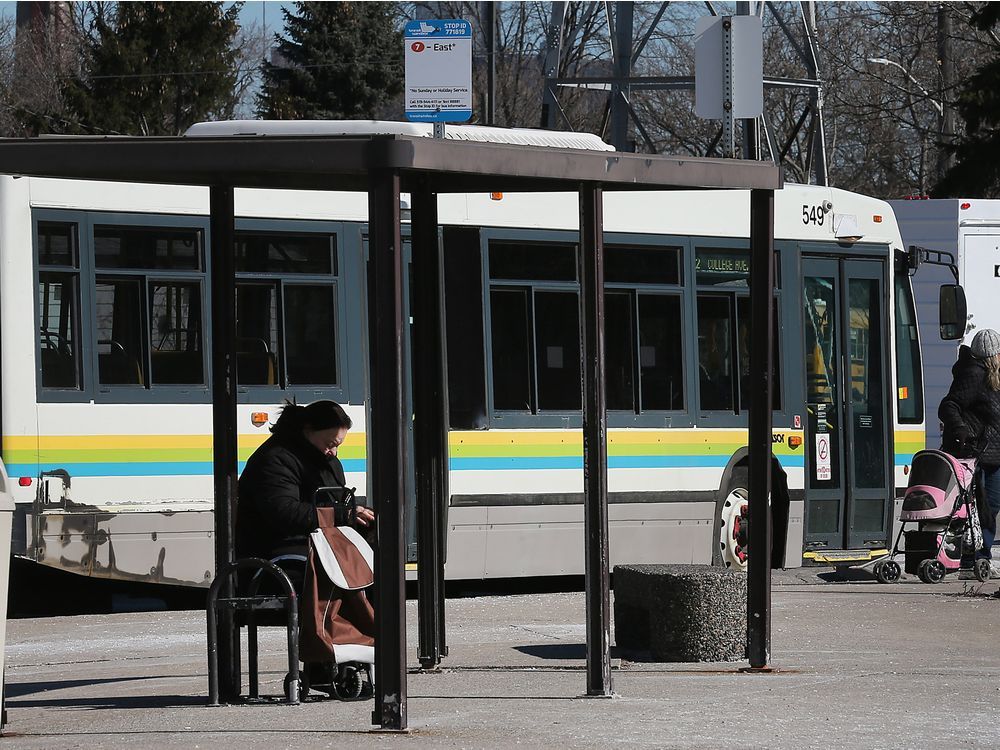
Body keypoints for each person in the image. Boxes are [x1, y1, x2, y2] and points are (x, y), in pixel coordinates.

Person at [235, 399, 374, 582]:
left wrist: (359, 514)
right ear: (308, 430)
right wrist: (342, 514)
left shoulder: (322, 459)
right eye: (330, 444)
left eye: (337, 446)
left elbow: (336, 500)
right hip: (278, 550)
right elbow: (285, 512)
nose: (333, 452)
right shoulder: (276, 459)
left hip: (312, 541)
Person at [939, 328, 1000, 579]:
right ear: (993, 354)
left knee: (991, 507)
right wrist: (961, 429)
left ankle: (980, 558)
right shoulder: (974, 374)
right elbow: (949, 405)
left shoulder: (994, 376)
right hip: (976, 453)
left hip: (994, 454)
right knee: (979, 510)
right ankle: (972, 559)